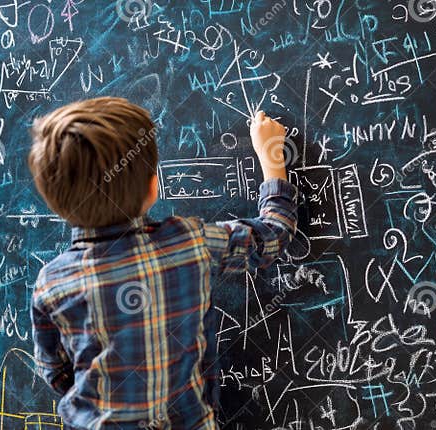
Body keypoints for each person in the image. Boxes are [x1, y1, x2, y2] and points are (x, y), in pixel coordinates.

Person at [27, 96, 298, 429]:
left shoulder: (51, 282)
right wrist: (272, 158)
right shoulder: (187, 243)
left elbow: (55, 371)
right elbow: (273, 234)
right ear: (153, 185)